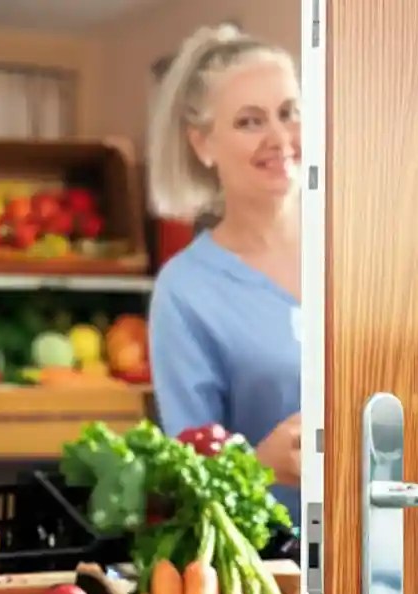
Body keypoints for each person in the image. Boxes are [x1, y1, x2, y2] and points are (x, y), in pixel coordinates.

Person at [146, 24, 303, 525]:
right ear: (203, 144)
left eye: (288, 112)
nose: (280, 139)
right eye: (250, 122)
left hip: (413, 539)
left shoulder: (367, 243)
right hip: (282, 571)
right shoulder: (186, 292)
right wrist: (262, 467)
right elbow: (191, 481)